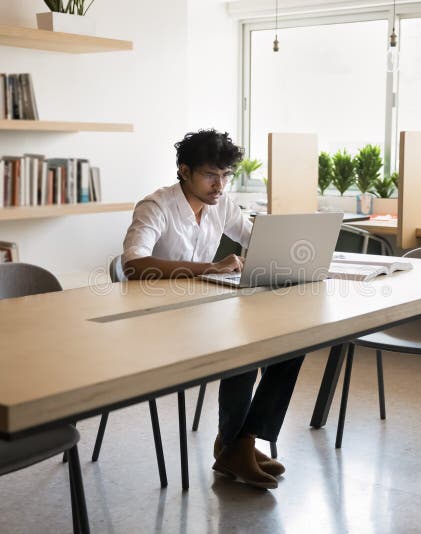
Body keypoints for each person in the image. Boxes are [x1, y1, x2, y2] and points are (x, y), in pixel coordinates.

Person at [122, 129, 303, 489]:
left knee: (292, 342)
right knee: (243, 344)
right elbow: (133, 264)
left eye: (225, 175)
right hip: (157, 322)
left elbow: (257, 238)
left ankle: (240, 441)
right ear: (184, 171)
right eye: (210, 175)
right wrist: (210, 267)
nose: (219, 185)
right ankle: (235, 445)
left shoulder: (222, 204)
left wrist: (298, 254)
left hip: (204, 312)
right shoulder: (156, 206)